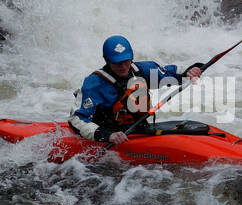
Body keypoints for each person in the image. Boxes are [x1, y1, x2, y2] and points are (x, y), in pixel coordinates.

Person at [69, 35, 203, 145]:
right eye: (117, 62)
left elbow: (173, 73)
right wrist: (107, 135)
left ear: (131, 58)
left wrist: (190, 70)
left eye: (126, 61)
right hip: (106, 134)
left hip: (136, 129)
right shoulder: (94, 84)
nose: (123, 66)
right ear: (107, 60)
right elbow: (77, 119)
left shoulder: (141, 70)